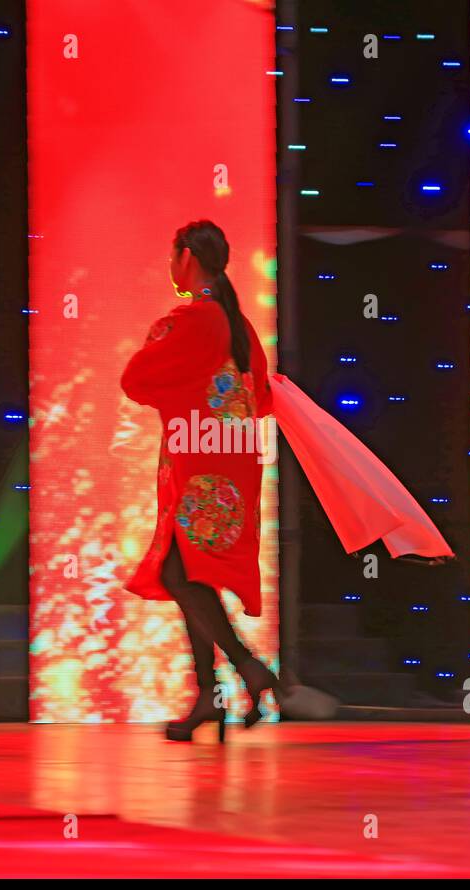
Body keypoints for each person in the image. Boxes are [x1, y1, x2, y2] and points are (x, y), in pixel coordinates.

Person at [120, 220, 334, 741]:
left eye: (174, 258)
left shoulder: (195, 319)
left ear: (187, 257)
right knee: (190, 576)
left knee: (180, 573)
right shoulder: (236, 324)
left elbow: (136, 379)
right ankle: (209, 697)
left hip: (198, 467)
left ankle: (245, 668)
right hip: (226, 467)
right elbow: (258, 395)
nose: (171, 269)